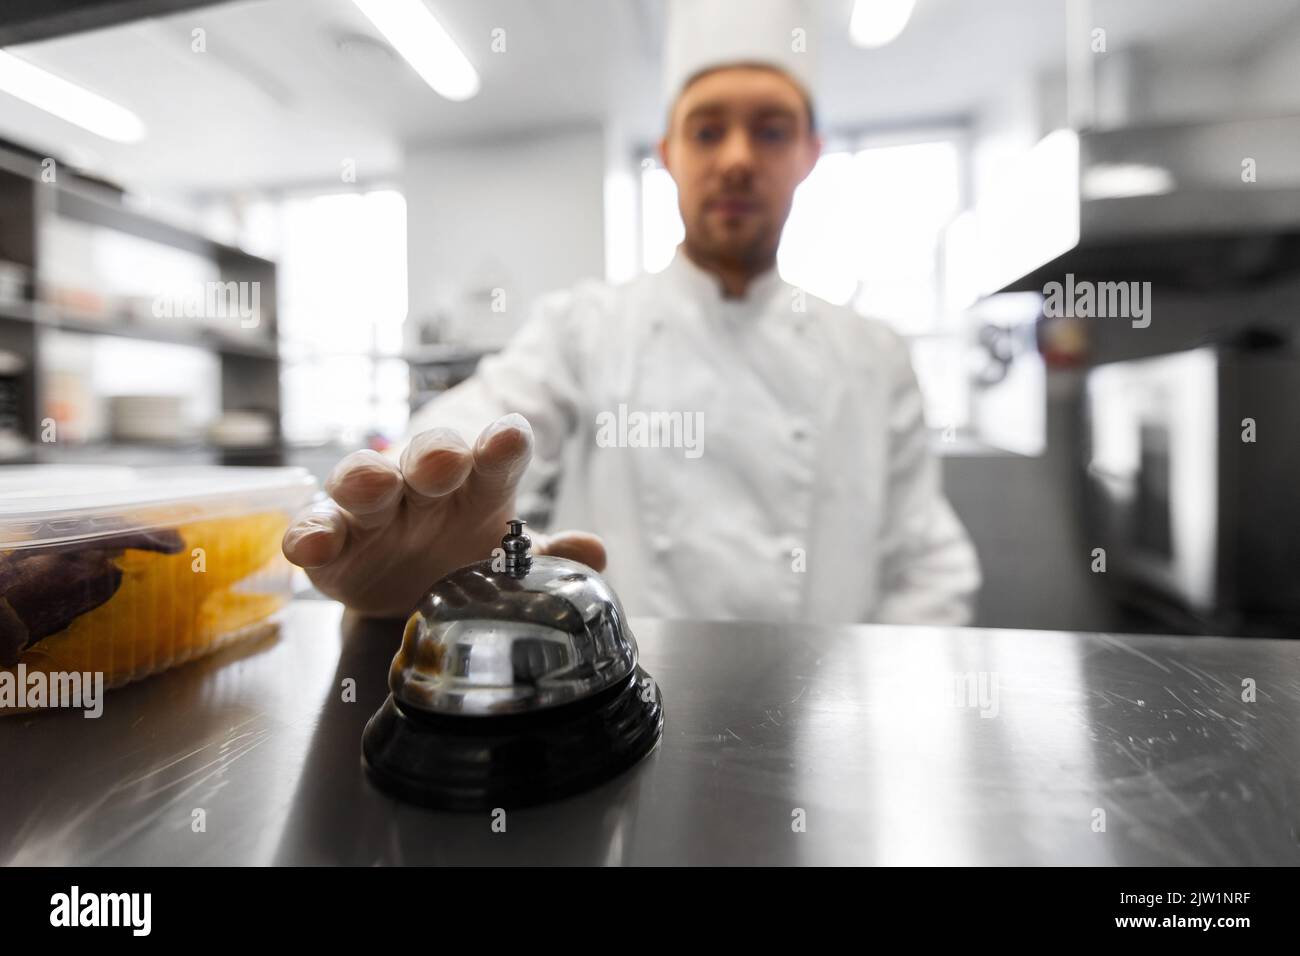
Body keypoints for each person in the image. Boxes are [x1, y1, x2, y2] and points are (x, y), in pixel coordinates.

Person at [282, 61, 981, 625]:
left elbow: (925, 561)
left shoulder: (875, 353)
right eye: (708, 133)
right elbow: (483, 423)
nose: (737, 160)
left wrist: (886, 706)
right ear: (669, 156)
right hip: (625, 714)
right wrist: (415, 520)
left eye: (771, 132)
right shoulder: (584, 327)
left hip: (830, 723)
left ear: (809, 157)